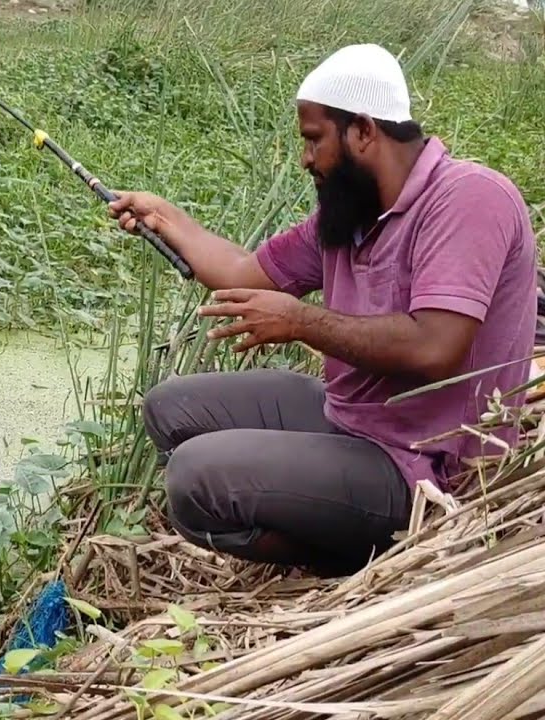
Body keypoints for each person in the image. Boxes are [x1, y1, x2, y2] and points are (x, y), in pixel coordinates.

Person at [106, 43, 539, 578]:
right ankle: (330, 514)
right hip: (350, 419)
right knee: (171, 409)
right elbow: (244, 271)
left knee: (195, 479)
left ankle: (367, 558)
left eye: (314, 139)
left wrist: (299, 321)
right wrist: (167, 219)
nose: (305, 159)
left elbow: (435, 346)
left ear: (363, 131)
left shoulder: (469, 197)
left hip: (425, 468)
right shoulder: (352, 209)